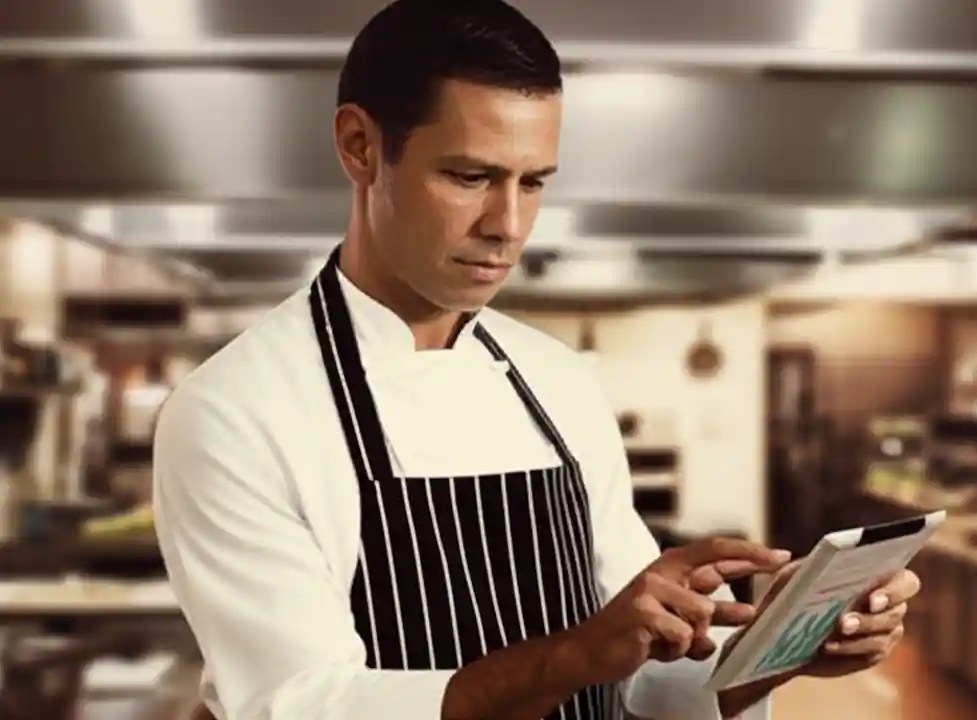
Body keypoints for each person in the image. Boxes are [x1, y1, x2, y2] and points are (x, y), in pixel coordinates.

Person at [151, 1, 921, 718]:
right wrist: (574, 656)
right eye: (470, 176)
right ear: (360, 146)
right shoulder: (235, 411)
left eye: (533, 183)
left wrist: (780, 649)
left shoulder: (557, 381)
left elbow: (645, 682)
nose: (508, 225)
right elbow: (303, 705)